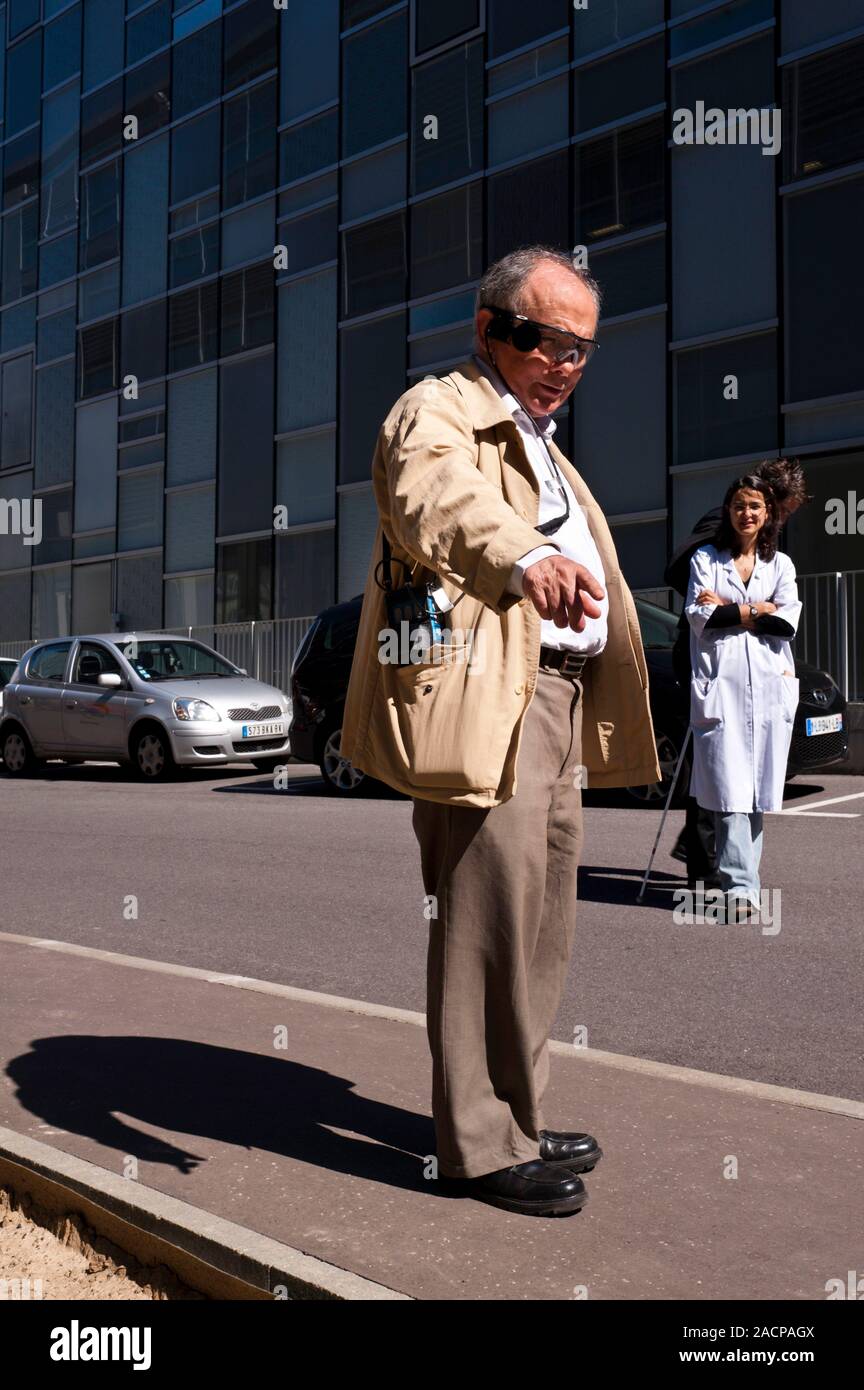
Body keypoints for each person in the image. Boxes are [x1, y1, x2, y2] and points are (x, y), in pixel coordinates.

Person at [340, 246, 659, 1216]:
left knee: (541, 924)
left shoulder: (539, 439)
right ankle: (476, 1148)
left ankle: (513, 1113)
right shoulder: (439, 413)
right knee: (484, 926)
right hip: (489, 696)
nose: (562, 361)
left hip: (555, 698)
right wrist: (523, 557)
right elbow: (437, 498)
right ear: (488, 330)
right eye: (541, 338)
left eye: (581, 348)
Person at [664, 461, 810, 887]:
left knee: (745, 779)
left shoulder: (778, 561)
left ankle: (715, 865)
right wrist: (753, 608)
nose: (753, 514)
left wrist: (733, 610)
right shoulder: (714, 536)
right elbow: (700, 611)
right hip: (716, 667)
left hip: (761, 674)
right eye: (743, 506)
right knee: (717, 772)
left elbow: (786, 618)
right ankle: (712, 870)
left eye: (760, 508)